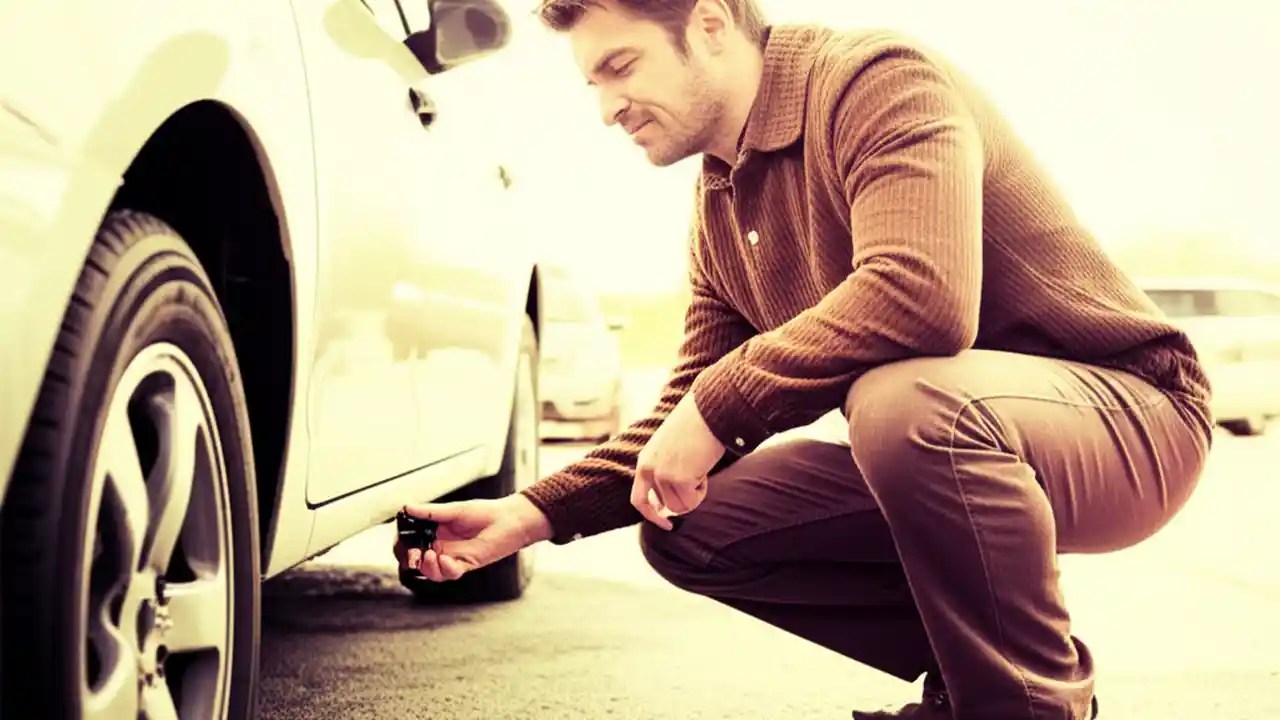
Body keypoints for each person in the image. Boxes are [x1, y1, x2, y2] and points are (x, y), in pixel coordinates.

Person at [393, 1, 1214, 718]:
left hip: (1134, 421)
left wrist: (719, 405)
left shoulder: (875, 79)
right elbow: (684, 400)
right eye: (592, 84)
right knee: (686, 524)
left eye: (622, 66)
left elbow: (921, 295)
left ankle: (1021, 707)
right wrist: (531, 514)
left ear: (710, 25)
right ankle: (986, 680)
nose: (608, 108)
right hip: (963, 437)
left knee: (904, 402)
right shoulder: (721, 199)